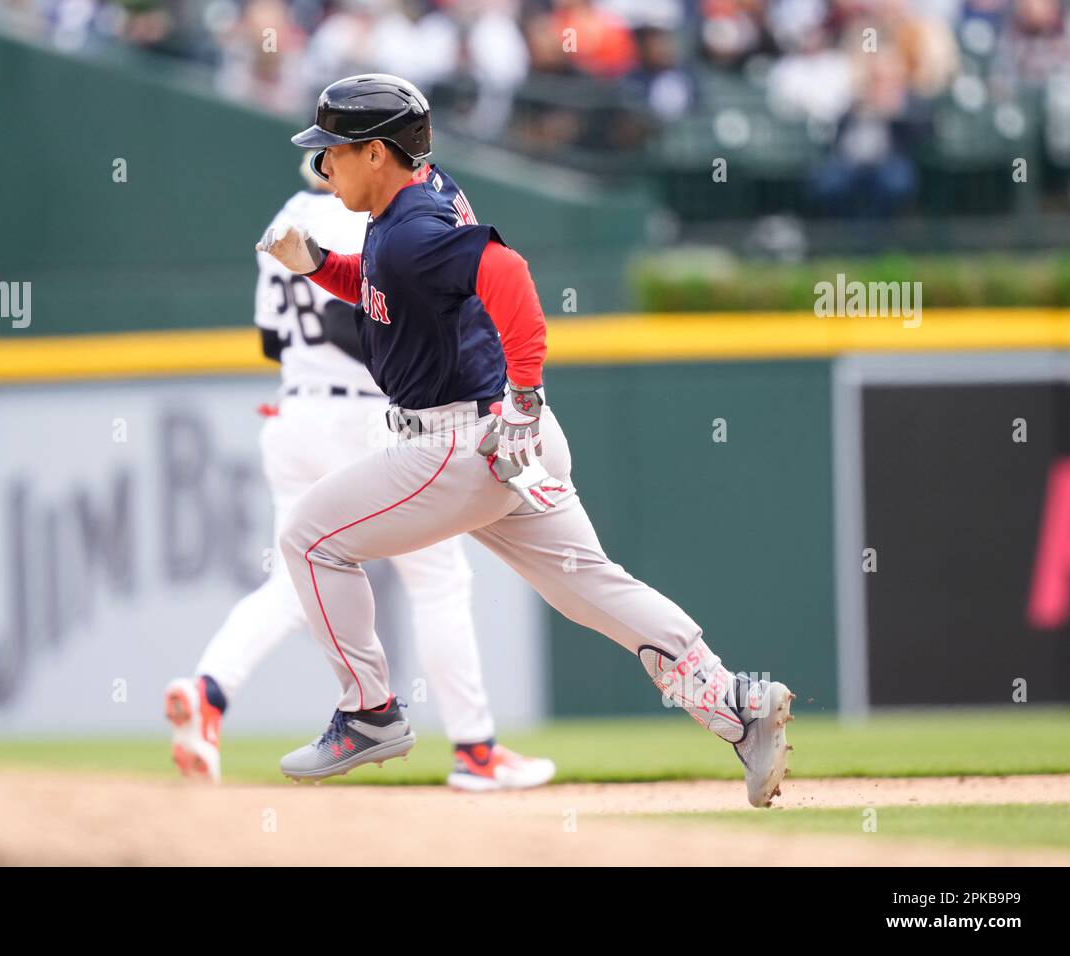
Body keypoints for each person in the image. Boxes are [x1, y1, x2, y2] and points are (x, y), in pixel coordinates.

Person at [256, 73, 796, 807]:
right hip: (506, 441)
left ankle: (369, 713)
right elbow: (393, 290)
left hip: (463, 441)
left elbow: (506, 272)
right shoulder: (412, 199)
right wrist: (321, 267)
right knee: (590, 588)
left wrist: (524, 395)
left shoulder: (411, 228)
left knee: (310, 539)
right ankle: (736, 706)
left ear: (377, 154)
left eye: (335, 152)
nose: (324, 167)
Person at [163, 157, 556, 792]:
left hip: (294, 414)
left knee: (294, 579)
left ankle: (210, 690)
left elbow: (272, 340)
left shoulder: (287, 218)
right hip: (370, 419)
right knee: (439, 583)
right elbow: (377, 323)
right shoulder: (370, 219)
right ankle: (476, 751)